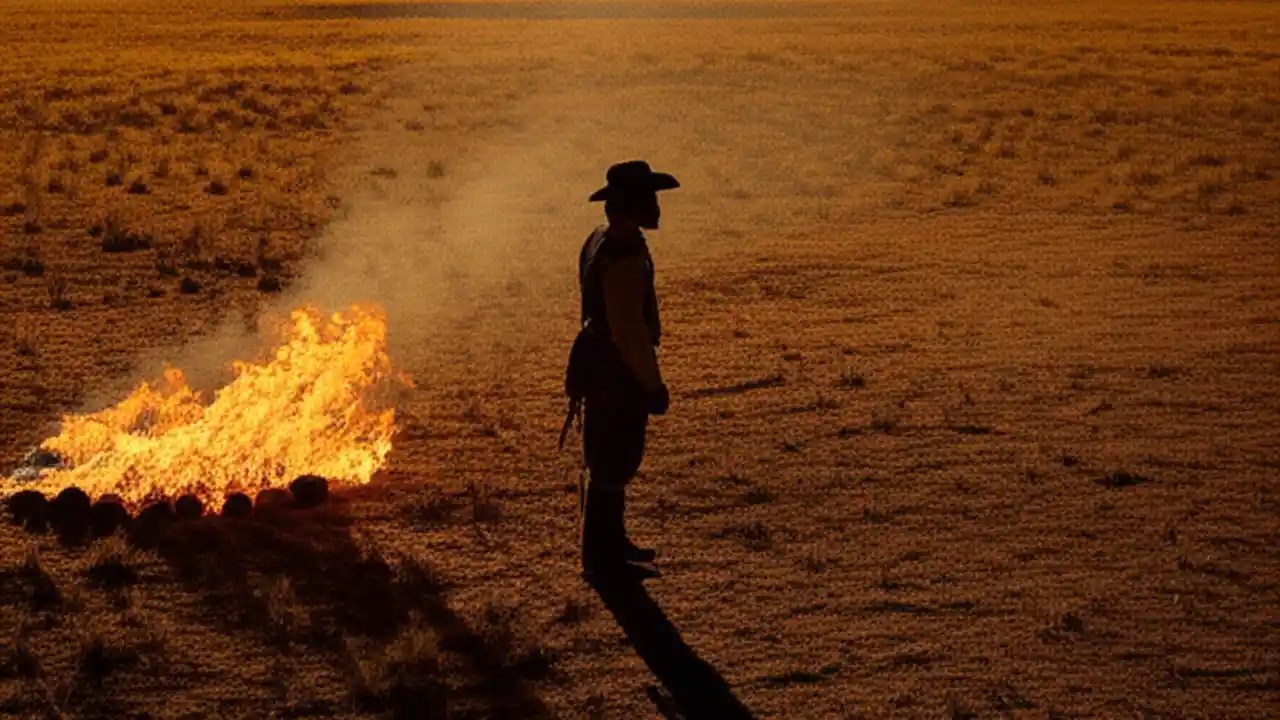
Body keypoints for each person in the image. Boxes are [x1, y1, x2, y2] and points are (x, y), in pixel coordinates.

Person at [566, 160, 678, 580]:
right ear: (630, 206)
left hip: (600, 364)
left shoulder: (600, 241)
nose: (656, 207)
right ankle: (602, 558)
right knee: (614, 458)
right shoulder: (624, 257)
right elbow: (629, 329)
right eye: (648, 199)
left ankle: (610, 546)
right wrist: (652, 385)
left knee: (609, 460)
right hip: (617, 370)